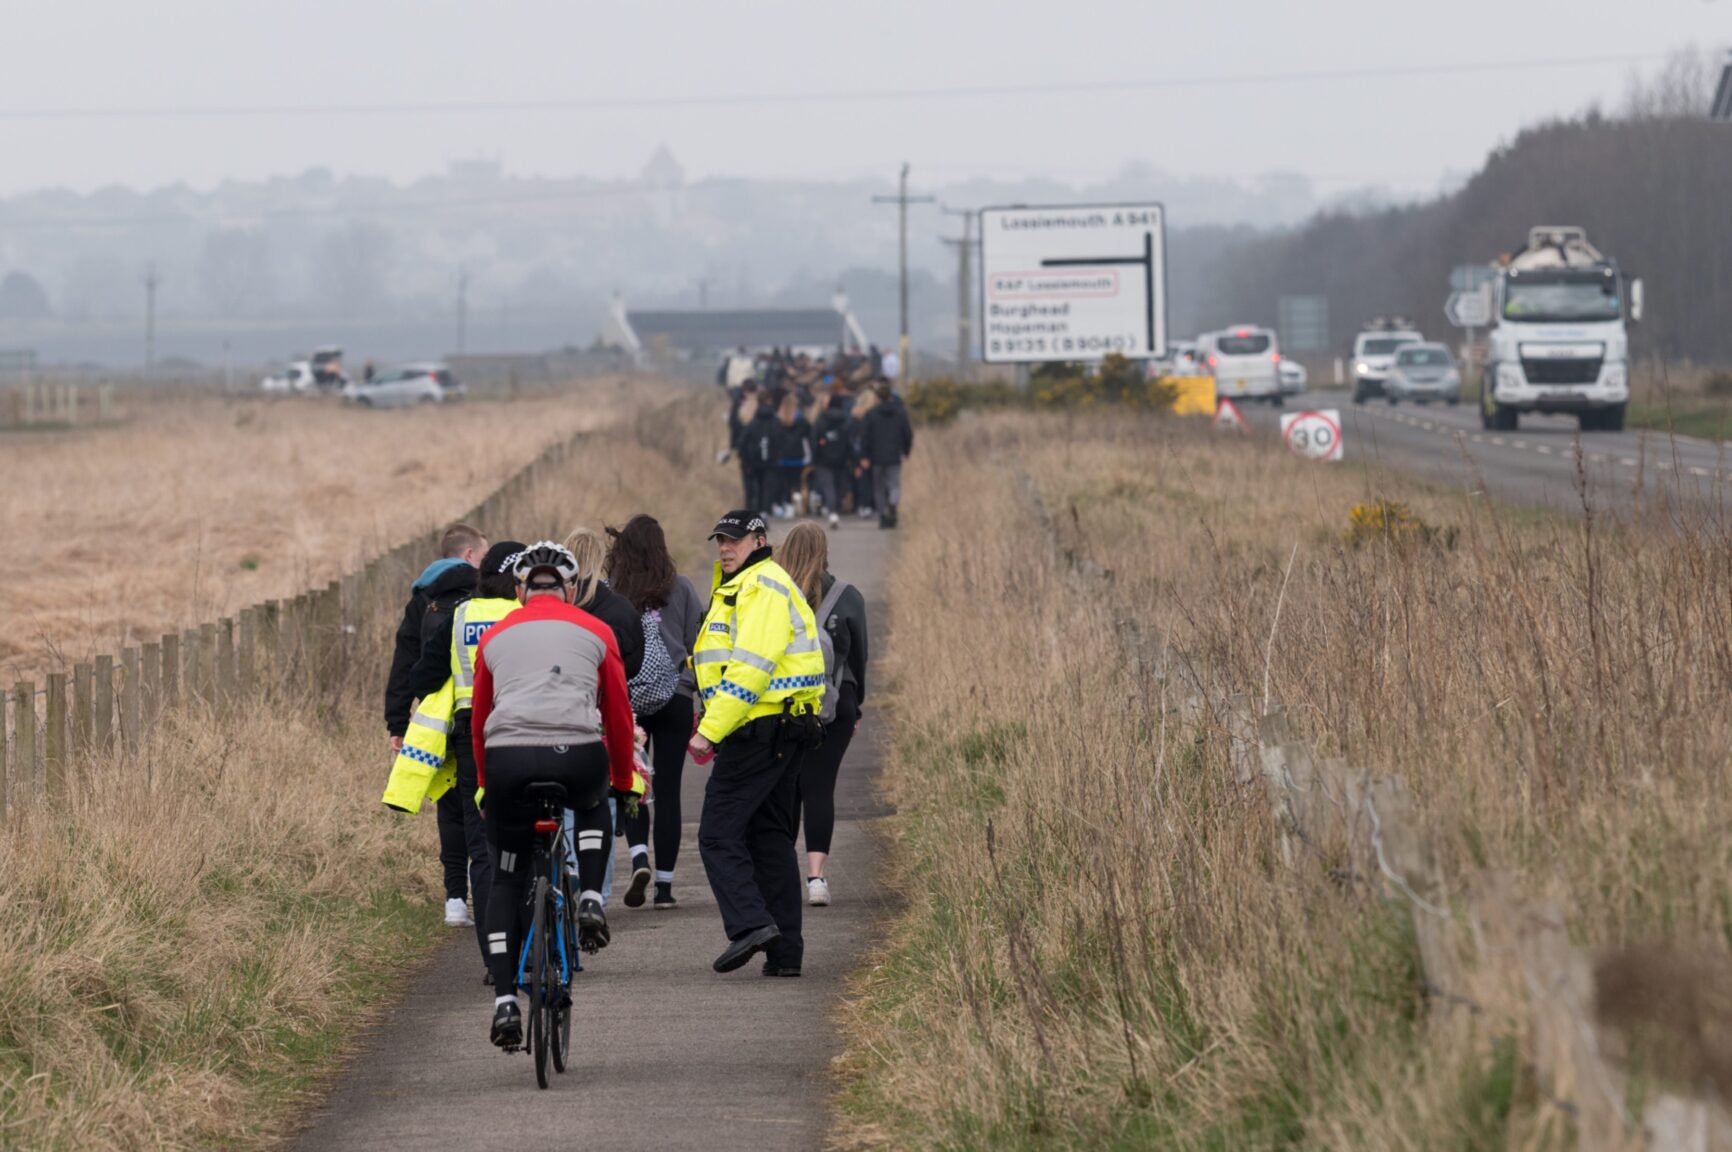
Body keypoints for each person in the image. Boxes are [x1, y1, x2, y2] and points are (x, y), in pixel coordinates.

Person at [472, 542, 638, 1048]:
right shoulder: (596, 630)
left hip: (508, 761)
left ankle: (504, 1000)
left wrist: (486, 786)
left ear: (520, 591)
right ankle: (590, 897)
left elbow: (480, 721)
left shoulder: (495, 636)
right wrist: (624, 779)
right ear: (570, 590)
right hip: (576, 753)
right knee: (592, 802)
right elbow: (618, 713)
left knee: (505, 877)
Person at [691, 511, 826, 977]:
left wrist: (710, 729)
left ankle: (750, 925)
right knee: (769, 839)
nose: (725, 548)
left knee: (716, 833)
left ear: (760, 540)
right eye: (720, 540)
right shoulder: (749, 584)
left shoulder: (760, 586)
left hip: (758, 729)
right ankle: (785, 954)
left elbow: (751, 667)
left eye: (734, 540)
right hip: (776, 728)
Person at [401, 538, 527, 976]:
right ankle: (535, 944)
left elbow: (423, 676)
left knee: (483, 850)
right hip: (528, 734)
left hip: (473, 740)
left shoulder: (461, 616)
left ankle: (497, 961)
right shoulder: (528, 615)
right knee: (529, 841)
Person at [384, 522, 487, 929]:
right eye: (484, 554)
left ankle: (455, 899)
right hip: (481, 714)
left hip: (435, 724)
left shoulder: (422, 599)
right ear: (468, 557)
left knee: (449, 806)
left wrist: (396, 719)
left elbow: (405, 662)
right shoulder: (487, 597)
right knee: (483, 802)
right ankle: (489, 890)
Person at [606, 515, 704, 909]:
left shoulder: (614, 593)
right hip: (676, 699)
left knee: (633, 785)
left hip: (628, 702)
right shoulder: (681, 588)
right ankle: (664, 887)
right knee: (668, 792)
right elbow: (698, 639)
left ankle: (638, 859)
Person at [776, 523, 868, 907]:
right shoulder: (847, 596)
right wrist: (855, 703)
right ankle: (816, 878)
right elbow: (859, 658)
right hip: (836, 702)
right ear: (823, 550)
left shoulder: (771, 593)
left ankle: (779, 877)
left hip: (786, 704)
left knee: (786, 789)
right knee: (819, 787)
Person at [563, 526, 649, 905]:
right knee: (602, 799)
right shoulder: (620, 609)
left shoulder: (556, 606)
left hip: (558, 712)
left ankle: (566, 875)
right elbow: (634, 664)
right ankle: (600, 891)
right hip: (603, 712)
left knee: (562, 804)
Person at [860, 379, 914, 529]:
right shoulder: (900, 413)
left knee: (878, 487)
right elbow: (907, 434)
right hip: (894, 455)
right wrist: (906, 450)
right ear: (891, 395)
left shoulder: (870, 415)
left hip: (875, 456)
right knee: (894, 484)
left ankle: (883, 515)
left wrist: (864, 455)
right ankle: (892, 503)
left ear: (877, 397)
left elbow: (865, 436)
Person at [811, 383, 854, 529]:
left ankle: (832, 512)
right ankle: (836, 507)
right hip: (841, 459)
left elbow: (814, 439)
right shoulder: (846, 421)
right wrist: (851, 458)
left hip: (823, 459)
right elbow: (850, 441)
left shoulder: (821, 420)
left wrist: (815, 456)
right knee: (838, 485)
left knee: (828, 486)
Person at [770, 391, 812, 520]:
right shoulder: (802, 420)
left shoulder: (777, 420)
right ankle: (797, 495)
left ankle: (788, 506)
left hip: (782, 458)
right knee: (796, 481)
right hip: (797, 457)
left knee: (785, 483)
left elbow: (774, 439)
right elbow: (809, 435)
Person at [736, 389, 779, 516]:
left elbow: (742, 442)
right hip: (770, 462)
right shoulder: (775, 422)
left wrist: (745, 461)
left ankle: (753, 513)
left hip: (753, 462)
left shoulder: (752, 422)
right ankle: (764, 513)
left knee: (753, 489)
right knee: (767, 488)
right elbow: (780, 440)